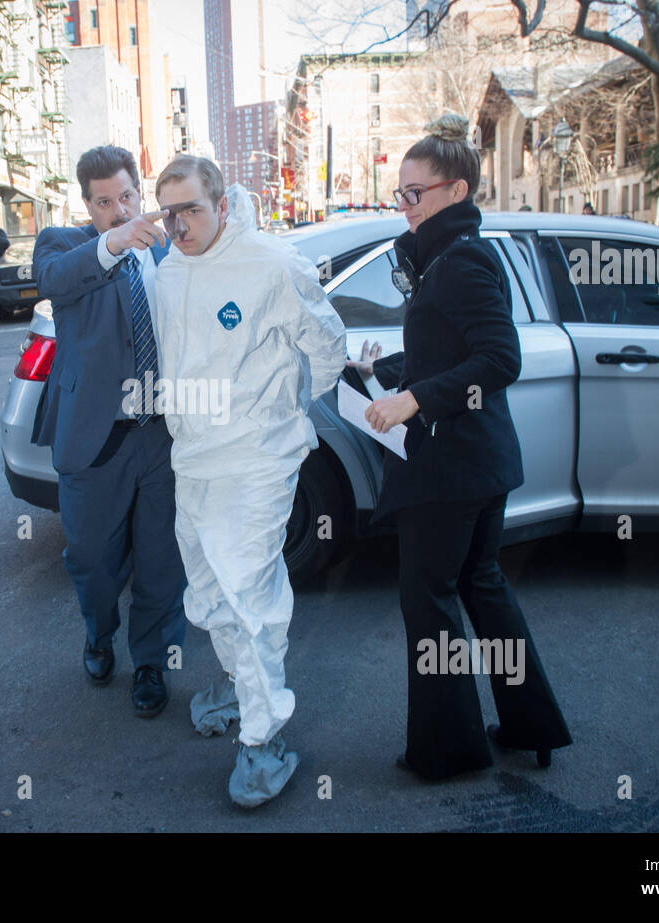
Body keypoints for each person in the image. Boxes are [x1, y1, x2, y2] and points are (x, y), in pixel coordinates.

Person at [357, 113, 571, 780]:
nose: (403, 206)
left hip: (452, 467)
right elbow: (450, 353)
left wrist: (413, 400)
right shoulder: (450, 257)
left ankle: (448, 750)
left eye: (412, 193)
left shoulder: (464, 258)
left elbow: (499, 358)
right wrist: (381, 374)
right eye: (399, 193)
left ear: (455, 191)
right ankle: (531, 723)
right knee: (481, 587)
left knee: (431, 600)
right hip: (474, 460)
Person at [151, 156, 347, 808]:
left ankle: (264, 740)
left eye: (192, 210)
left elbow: (327, 346)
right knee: (207, 594)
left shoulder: (271, 263)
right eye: (168, 212)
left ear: (223, 205)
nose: (179, 225)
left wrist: (280, 414)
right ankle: (240, 686)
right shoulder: (170, 267)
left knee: (250, 599)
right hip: (194, 460)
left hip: (257, 463)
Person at [30, 145, 187, 718]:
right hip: (99, 438)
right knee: (93, 560)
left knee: (161, 560)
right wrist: (113, 243)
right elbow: (52, 280)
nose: (119, 211)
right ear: (87, 206)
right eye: (104, 203)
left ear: (139, 193)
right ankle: (99, 634)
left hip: (163, 435)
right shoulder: (65, 246)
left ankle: (150, 661)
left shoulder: (170, 249)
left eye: (126, 197)